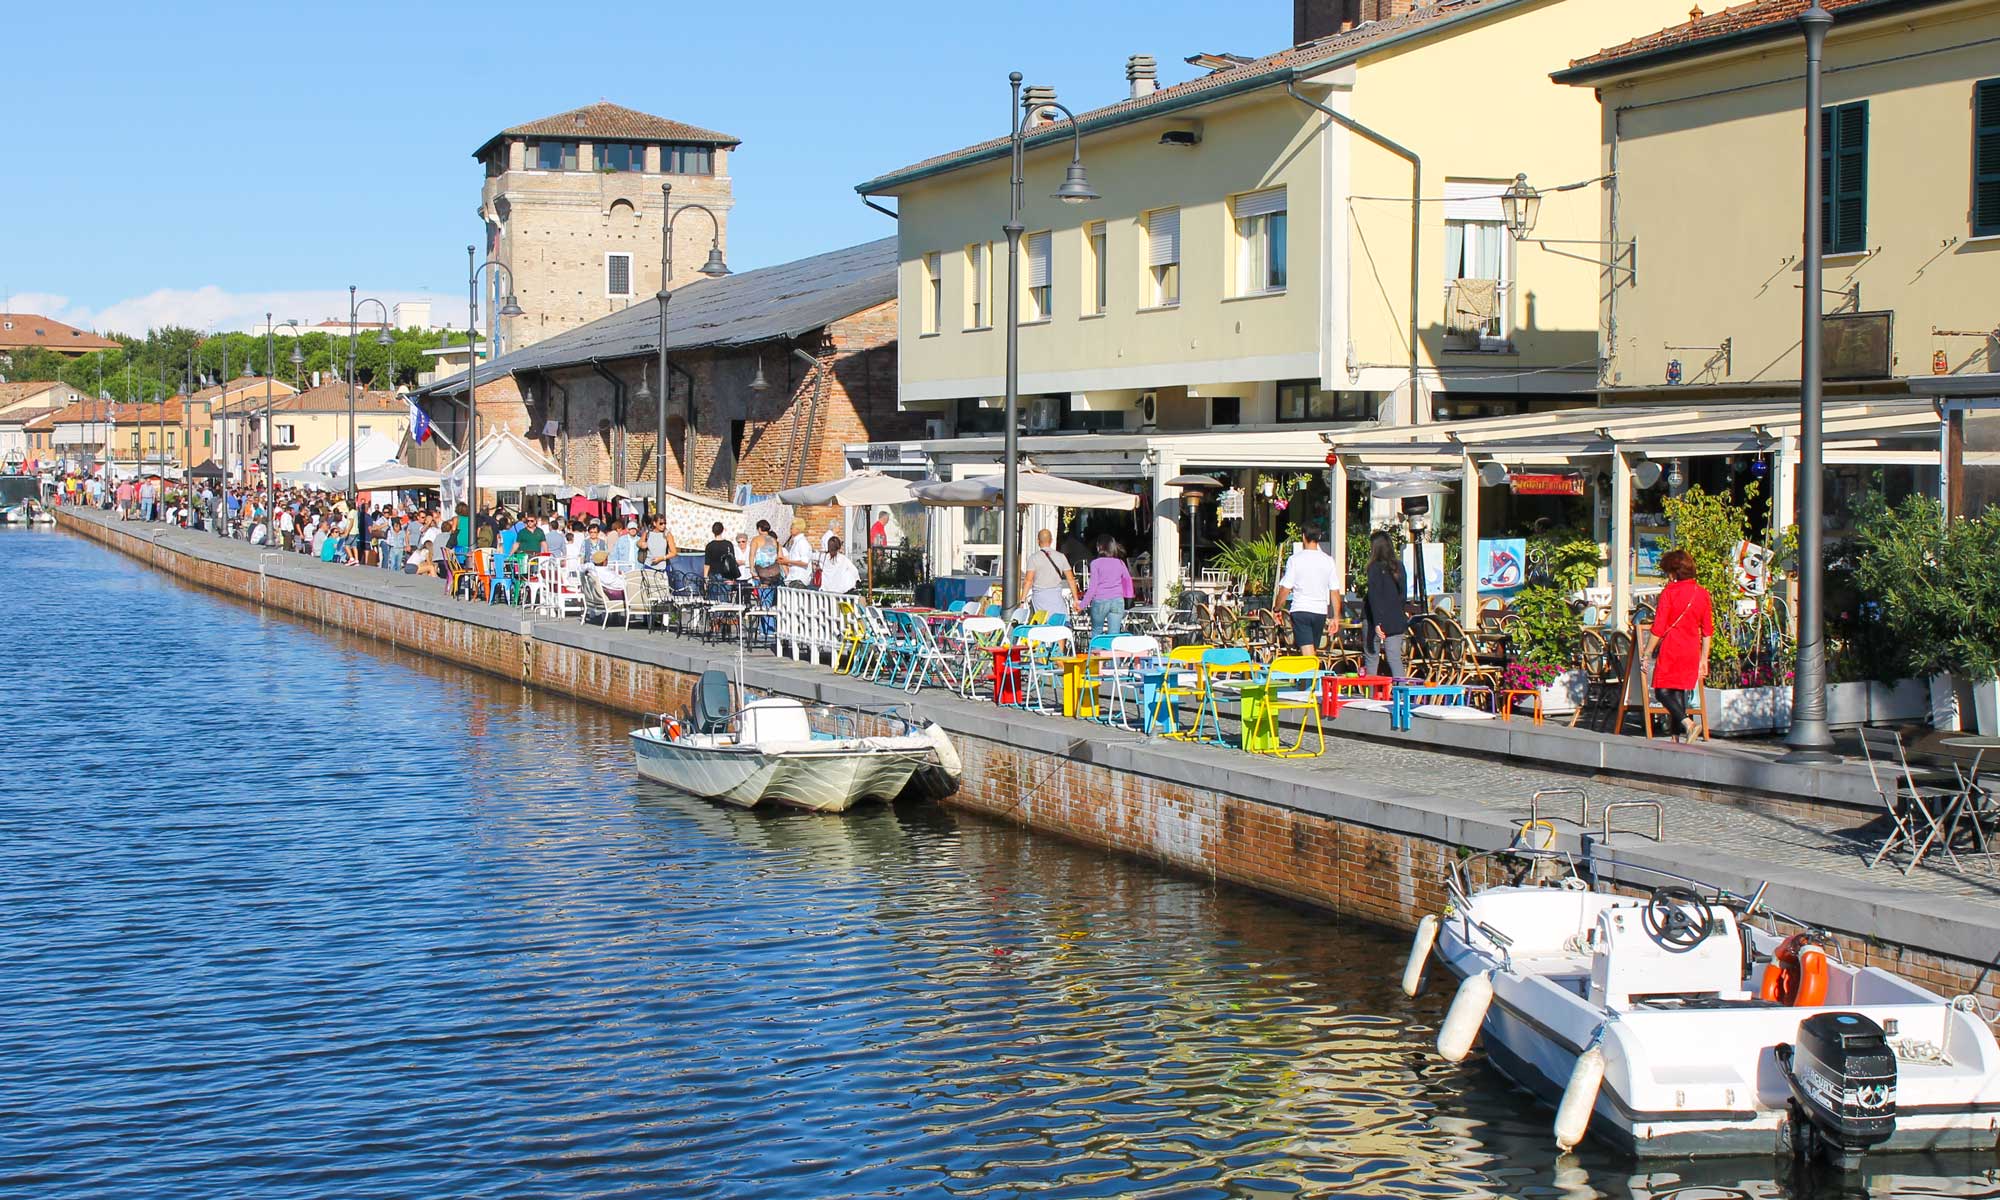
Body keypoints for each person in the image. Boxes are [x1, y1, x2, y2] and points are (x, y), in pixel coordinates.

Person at [1643, 547, 1714, 742]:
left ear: (1674, 571)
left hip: (1672, 648)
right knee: (1678, 690)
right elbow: (1707, 630)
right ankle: (1676, 736)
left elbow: (1658, 627)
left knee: (1662, 690)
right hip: (1692, 649)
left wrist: (1647, 652)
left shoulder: (1670, 592)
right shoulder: (1702, 593)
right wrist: (1703, 659)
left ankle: (1688, 724)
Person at [1273, 526, 1339, 655]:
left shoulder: (1295, 560)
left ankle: (1311, 674)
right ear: (1319, 537)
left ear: (1303, 536)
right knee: (1312, 649)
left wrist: (1277, 608)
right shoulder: (1328, 560)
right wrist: (1336, 616)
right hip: (1320, 610)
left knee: (1308, 652)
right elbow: (1334, 590)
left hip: (1301, 609)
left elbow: (1285, 588)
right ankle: (1311, 673)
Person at [1361, 531, 1409, 677]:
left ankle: (1371, 696)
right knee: (1394, 658)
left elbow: (1374, 596)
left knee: (1371, 657)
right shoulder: (1399, 566)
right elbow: (1403, 596)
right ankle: (1401, 694)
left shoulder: (1373, 567)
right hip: (1395, 618)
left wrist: (1377, 622)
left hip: (1373, 618)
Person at [1081, 536, 1134, 635]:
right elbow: (1127, 579)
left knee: (1096, 631)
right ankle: (1110, 650)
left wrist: (1082, 604)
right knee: (1114, 634)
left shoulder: (1095, 563)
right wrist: (1129, 598)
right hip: (1117, 600)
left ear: (1099, 548)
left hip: (1100, 600)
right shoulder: (1120, 563)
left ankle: (1096, 650)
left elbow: (1093, 587)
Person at [1021, 529, 1078, 617]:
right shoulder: (1061, 557)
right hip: (1056, 597)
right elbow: (1071, 579)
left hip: (1039, 598)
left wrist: (1022, 600)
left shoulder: (1033, 558)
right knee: (1058, 623)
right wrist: (1076, 599)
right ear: (1051, 540)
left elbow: (1028, 581)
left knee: (1042, 624)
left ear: (1038, 541)